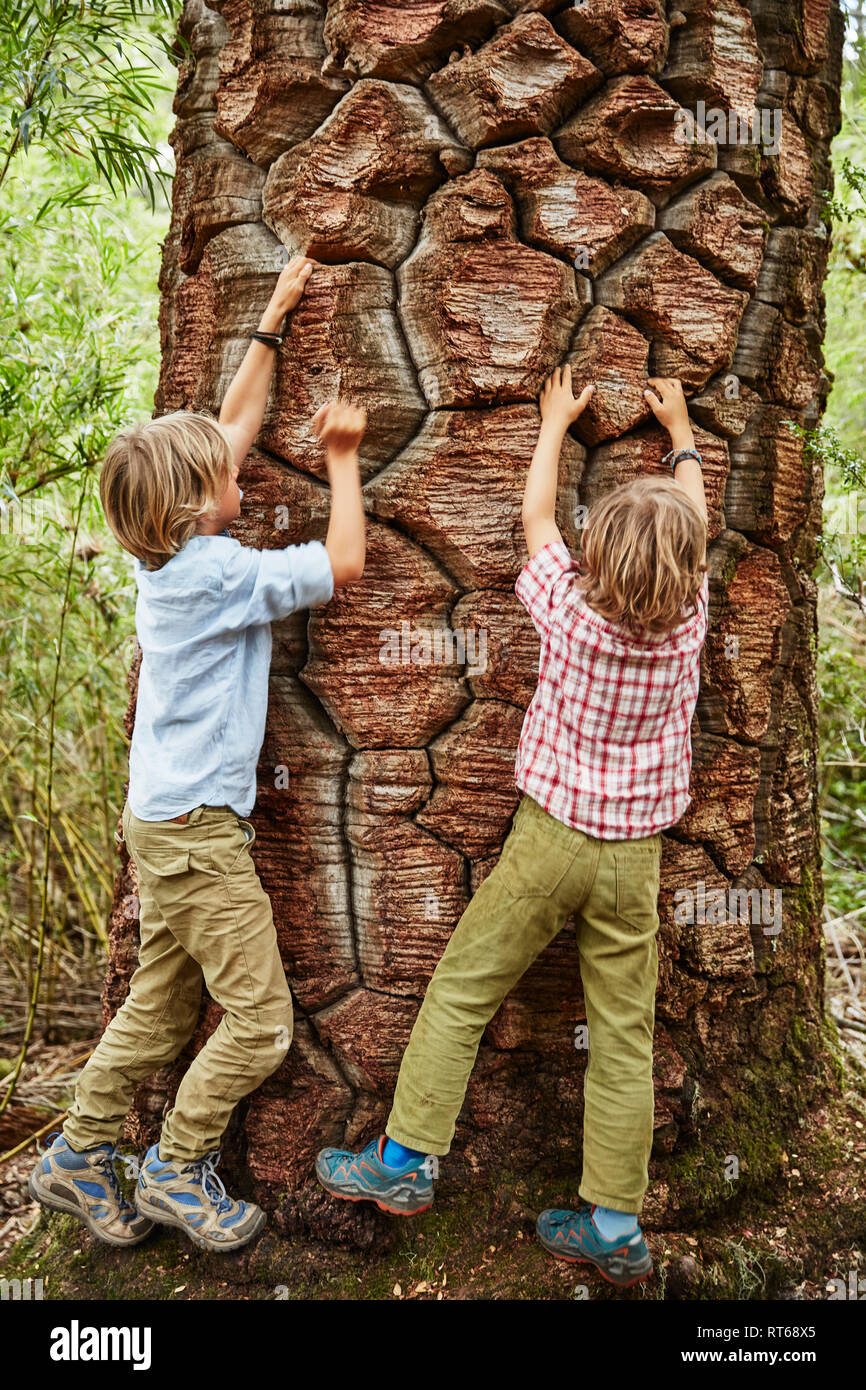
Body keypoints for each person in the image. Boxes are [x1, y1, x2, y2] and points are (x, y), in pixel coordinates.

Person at [315, 368, 708, 1288]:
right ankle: (613, 1221)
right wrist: (682, 431)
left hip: (548, 843)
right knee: (622, 1036)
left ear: (597, 560)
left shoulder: (572, 614)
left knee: (462, 990)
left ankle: (405, 1164)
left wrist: (554, 427)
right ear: (689, 569)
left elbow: (535, 522)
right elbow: (691, 521)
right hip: (634, 859)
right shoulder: (693, 621)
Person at [30, 256, 367, 1253]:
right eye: (224, 476)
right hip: (196, 835)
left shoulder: (165, 558)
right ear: (197, 509)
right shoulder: (219, 575)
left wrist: (271, 316)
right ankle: (175, 1163)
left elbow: (231, 426)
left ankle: (79, 1149)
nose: (239, 468)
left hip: (165, 820)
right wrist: (343, 458)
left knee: (159, 1004)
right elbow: (342, 563)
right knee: (260, 1021)